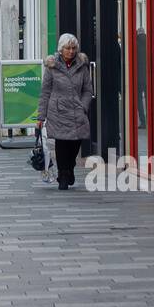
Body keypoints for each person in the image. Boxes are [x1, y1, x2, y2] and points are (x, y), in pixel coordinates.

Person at [38, 33, 94, 190]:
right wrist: (41, 116)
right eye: (67, 48)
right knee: (62, 144)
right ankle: (63, 175)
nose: (71, 51)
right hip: (58, 111)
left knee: (76, 142)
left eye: (73, 48)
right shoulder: (52, 66)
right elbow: (45, 92)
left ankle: (70, 167)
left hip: (77, 111)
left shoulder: (82, 66)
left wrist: (83, 106)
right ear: (61, 49)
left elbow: (88, 90)